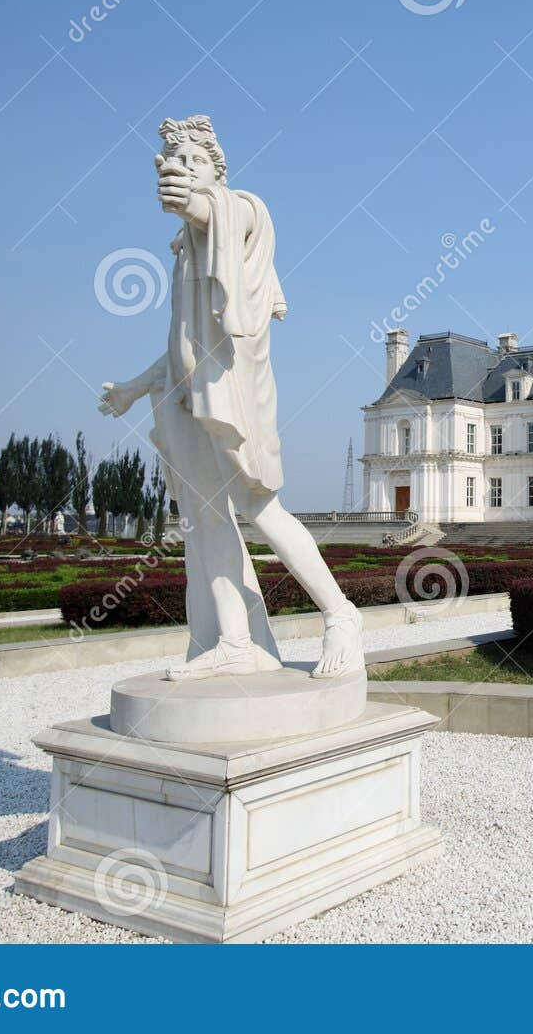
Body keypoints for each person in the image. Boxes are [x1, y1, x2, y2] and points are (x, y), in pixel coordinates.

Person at [99, 116, 361, 681]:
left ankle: (342, 616)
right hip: (189, 395)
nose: (180, 172)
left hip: (234, 394)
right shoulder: (187, 252)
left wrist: (193, 201)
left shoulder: (240, 209)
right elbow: (183, 345)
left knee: (261, 507)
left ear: (215, 171)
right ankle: (236, 642)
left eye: (192, 163)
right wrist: (135, 387)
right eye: (174, 163)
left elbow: (216, 211)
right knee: (205, 519)